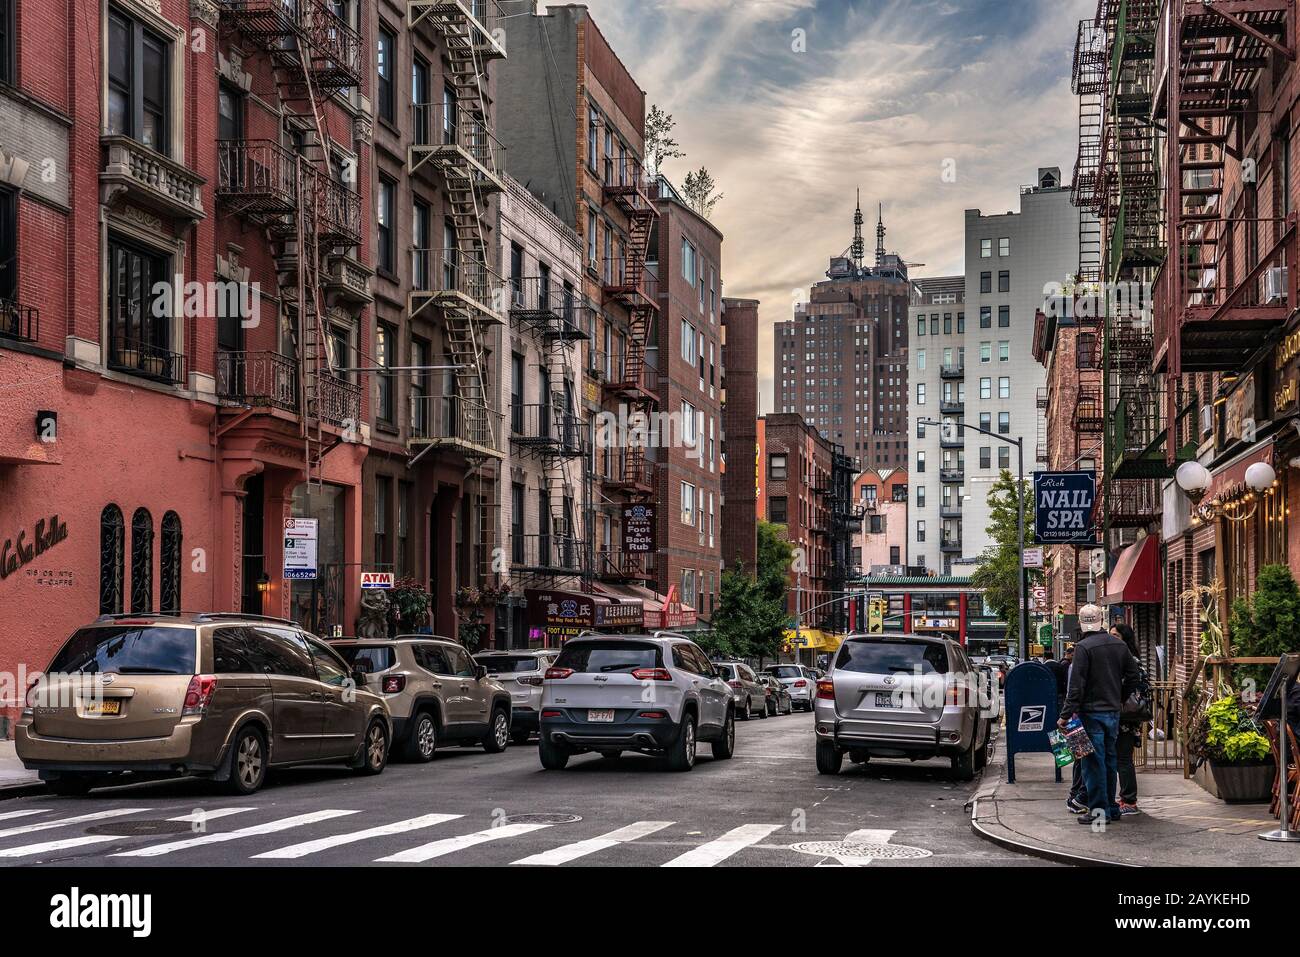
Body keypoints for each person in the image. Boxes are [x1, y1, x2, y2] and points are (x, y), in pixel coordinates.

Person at [1058, 605, 1141, 824]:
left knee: (1093, 763)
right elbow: (1134, 676)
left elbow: (1075, 687)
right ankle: (1111, 807)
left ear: (1082, 623)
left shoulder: (1083, 648)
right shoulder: (1119, 645)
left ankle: (1098, 811)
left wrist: (1065, 715)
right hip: (1112, 712)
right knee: (1110, 760)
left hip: (1090, 713)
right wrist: (1120, 697)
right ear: (1101, 620)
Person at [1110, 622, 1148, 816]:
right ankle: (1126, 797)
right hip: (1124, 716)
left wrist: (1120, 696)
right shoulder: (1126, 658)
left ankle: (1129, 800)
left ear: (1125, 639)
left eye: (1115, 636)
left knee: (1123, 758)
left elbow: (1134, 684)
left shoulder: (1129, 660)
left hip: (1126, 717)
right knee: (1121, 758)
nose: (1112, 639)